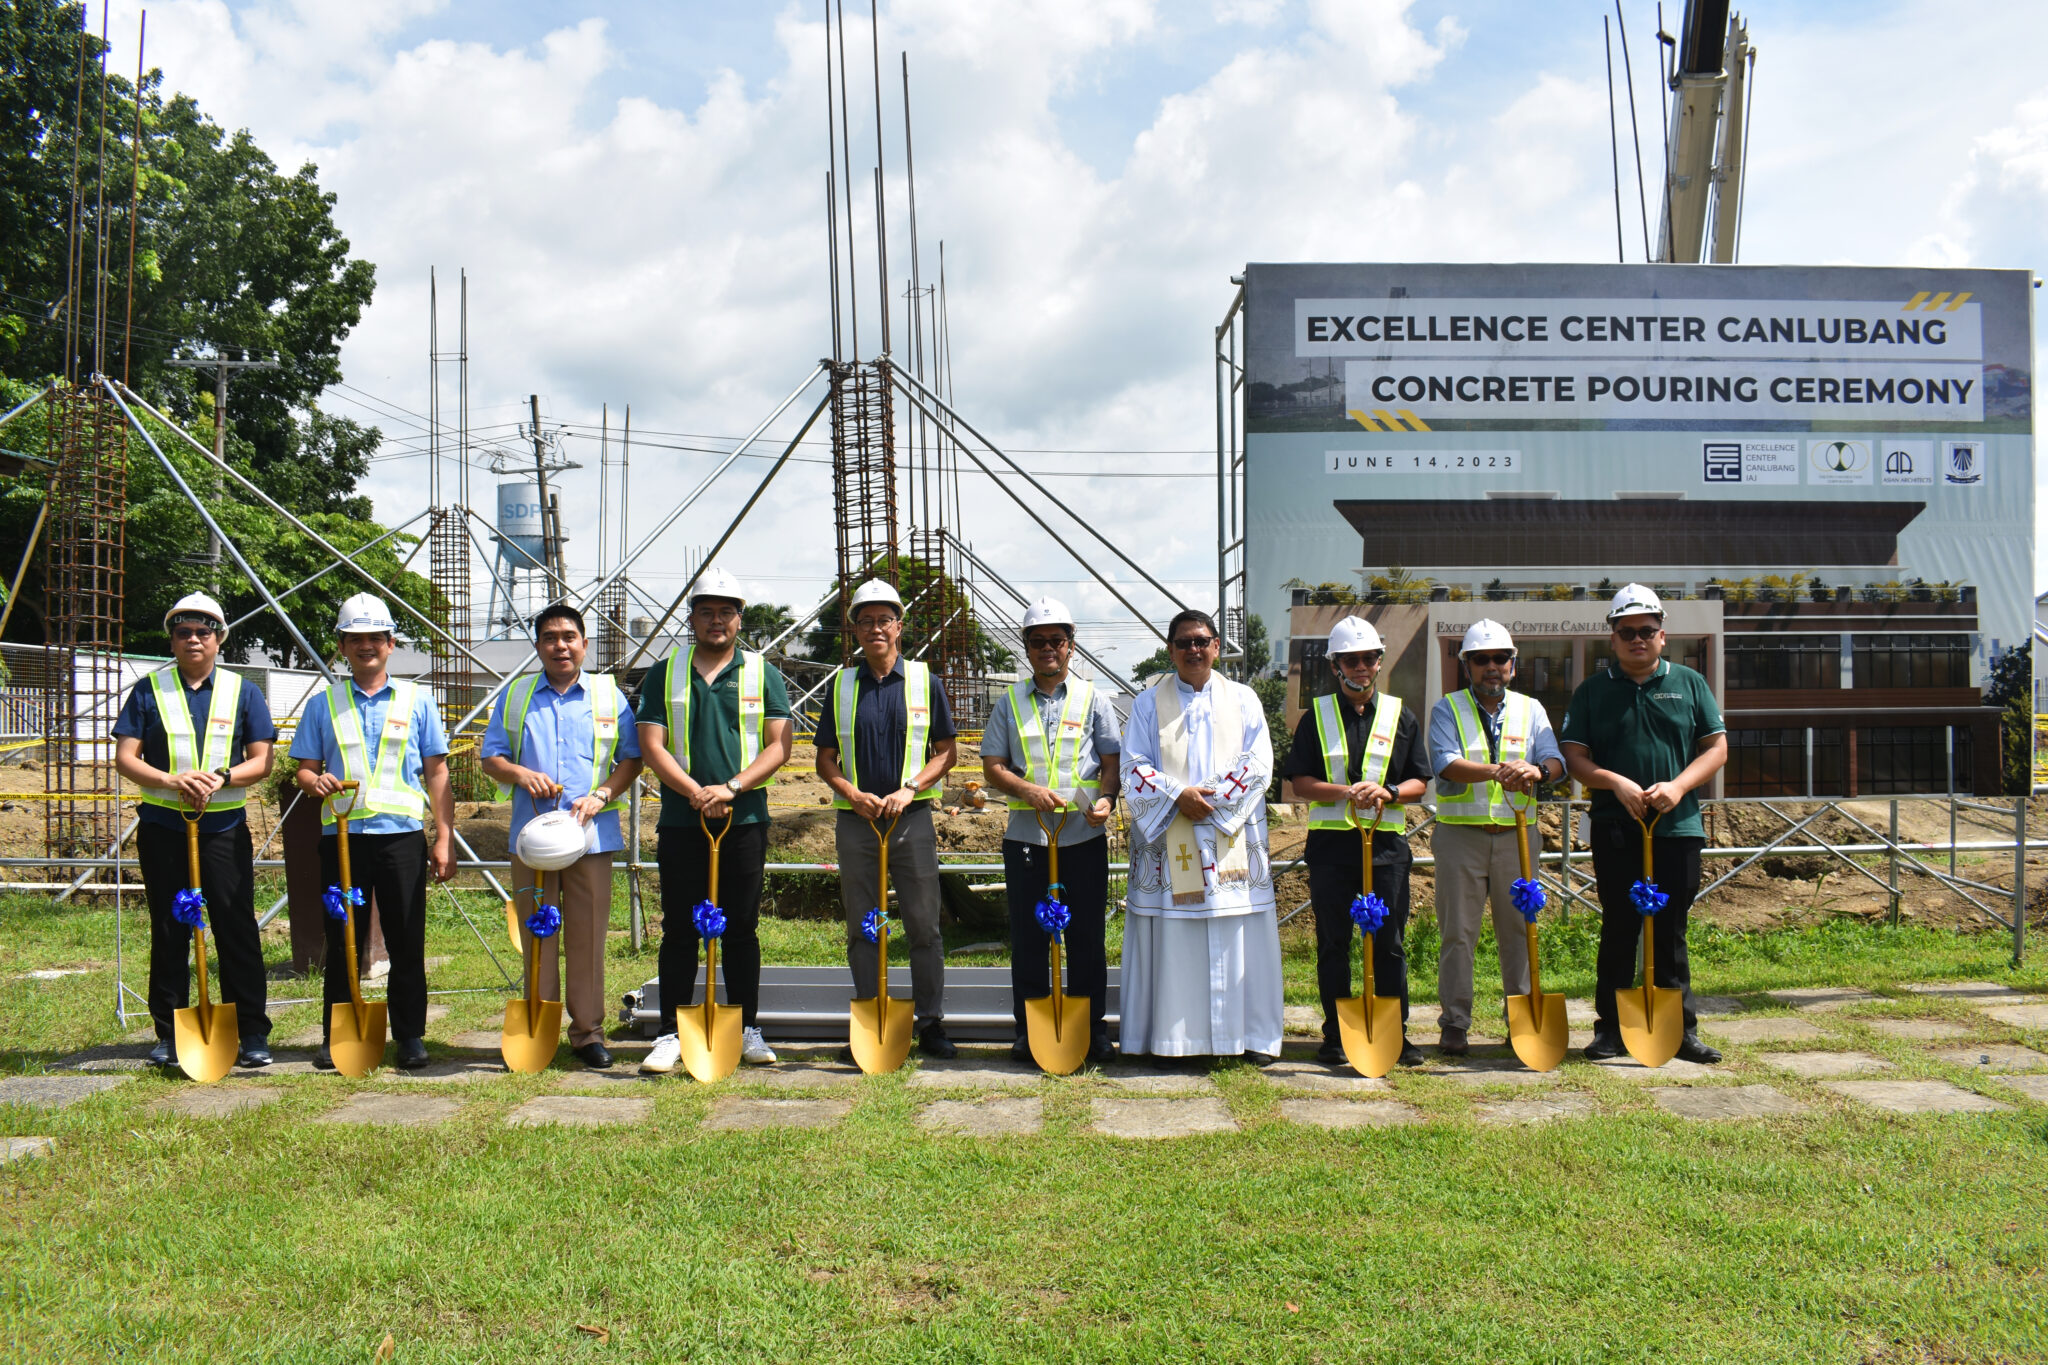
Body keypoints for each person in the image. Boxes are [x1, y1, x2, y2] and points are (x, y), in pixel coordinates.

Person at [632, 567, 794, 1074]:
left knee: (742, 927)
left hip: (743, 819)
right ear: (692, 617)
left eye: (726, 612)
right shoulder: (665, 671)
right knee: (679, 928)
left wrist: (732, 788)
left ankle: (748, 1028)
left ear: (739, 618)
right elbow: (651, 746)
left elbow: (779, 745)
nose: (716, 621)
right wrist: (695, 793)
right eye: (707, 612)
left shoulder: (760, 672)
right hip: (683, 822)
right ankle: (668, 1034)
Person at [1560, 583, 1728, 1065]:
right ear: (1611, 637)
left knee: (1670, 929)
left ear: (1663, 635)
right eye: (1627, 631)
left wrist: (1677, 787)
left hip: (1677, 828)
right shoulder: (1592, 691)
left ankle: (1680, 1030)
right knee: (1620, 925)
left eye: (1647, 631)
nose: (1638, 639)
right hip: (1616, 826)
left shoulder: (1690, 683)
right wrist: (1614, 782)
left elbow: (1715, 748)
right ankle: (1610, 1029)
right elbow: (1574, 757)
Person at [112, 592, 278, 1070]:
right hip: (164, 828)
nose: (193, 640)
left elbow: (262, 760)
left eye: (203, 632)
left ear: (220, 638)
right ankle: (170, 1032)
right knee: (169, 930)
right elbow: (126, 757)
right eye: (183, 632)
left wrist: (221, 778)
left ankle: (251, 1032)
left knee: (236, 926)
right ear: (172, 639)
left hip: (223, 829)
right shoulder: (148, 690)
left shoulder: (243, 691)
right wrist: (170, 780)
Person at [292, 592, 455, 1071]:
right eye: (355, 638)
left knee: (407, 938)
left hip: (402, 836)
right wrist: (314, 781)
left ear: (391, 644)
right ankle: (338, 1033)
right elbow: (304, 769)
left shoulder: (416, 700)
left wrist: (443, 835)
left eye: (375, 638)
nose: (366, 646)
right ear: (342, 646)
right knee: (342, 936)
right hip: (342, 840)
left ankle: (410, 1037)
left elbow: (437, 772)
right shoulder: (324, 705)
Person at [480, 602, 643, 1069]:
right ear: (538, 646)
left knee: (588, 935)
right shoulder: (516, 697)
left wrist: (602, 794)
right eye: (550, 638)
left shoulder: (609, 696)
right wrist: (519, 773)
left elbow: (631, 759)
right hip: (532, 838)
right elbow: (491, 757)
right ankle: (539, 1023)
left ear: (584, 644)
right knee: (537, 933)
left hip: (591, 837)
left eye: (569, 637)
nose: (560, 645)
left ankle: (587, 1033)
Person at [1120, 609, 1281, 1064]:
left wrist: (1214, 804)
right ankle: (1173, 1041)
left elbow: (1259, 761)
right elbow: (1134, 766)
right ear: (1170, 650)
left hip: (1230, 837)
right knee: (1174, 939)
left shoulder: (1245, 699)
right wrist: (1179, 796)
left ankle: (1249, 1038)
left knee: (1237, 932)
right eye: (1184, 642)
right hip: (1172, 839)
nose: (1194, 649)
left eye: (1202, 641)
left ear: (1216, 647)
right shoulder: (1148, 703)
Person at [816, 579, 960, 1060]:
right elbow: (825, 760)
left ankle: (931, 1023)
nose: (875, 628)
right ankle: (870, 1017)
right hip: (857, 824)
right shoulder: (840, 686)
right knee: (864, 925)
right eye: (865, 620)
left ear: (899, 627)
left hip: (911, 821)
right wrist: (851, 794)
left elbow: (946, 753)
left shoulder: (925, 682)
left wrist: (910, 788)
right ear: (854, 628)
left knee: (923, 924)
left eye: (884, 620)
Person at [1281, 616, 1432, 1068]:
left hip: (1385, 848)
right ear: (1335, 665)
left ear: (1379, 662)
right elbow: (1300, 782)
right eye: (1352, 660)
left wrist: (1388, 792)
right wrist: (1348, 792)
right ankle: (1334, 1035)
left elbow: (1420, 780)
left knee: (1388, 942)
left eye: (1369, 658)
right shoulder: (1317, 717)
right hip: (1332, 850)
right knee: (1334, 944)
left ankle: (1397, 1036)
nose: (1362, 667)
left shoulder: (1400, 714)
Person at [980, 597, 1122, 1066]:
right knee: (1028, 936)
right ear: (1026, 648)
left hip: (1082, 837)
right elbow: (993, 767)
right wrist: (1028, 789)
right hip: (1027, 836)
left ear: (1070, 646)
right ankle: (1029, 1030)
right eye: (1038, 642)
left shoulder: (1093, 698)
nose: (1048, 649)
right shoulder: (1009, 702)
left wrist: (1105, 799)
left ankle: (1092, 1028)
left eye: (1056, 641)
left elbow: (1110, 762)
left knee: (1086, 936)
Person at [1427, 619, 1567, 1056]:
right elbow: (1445, 762)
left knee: (1521, 932)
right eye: (1481, 660)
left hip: (1518, 837)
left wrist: (1539, 771)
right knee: (1457, 934)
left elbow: (1555, 761)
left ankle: (1522, 1021)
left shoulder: (1532, 709)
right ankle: (1455, 1023)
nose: (1491, 667)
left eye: (1499, 659)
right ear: (1466, 665)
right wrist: (1502, 771)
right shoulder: (1447, 709)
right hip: (1460, 837)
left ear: (1512, 664)